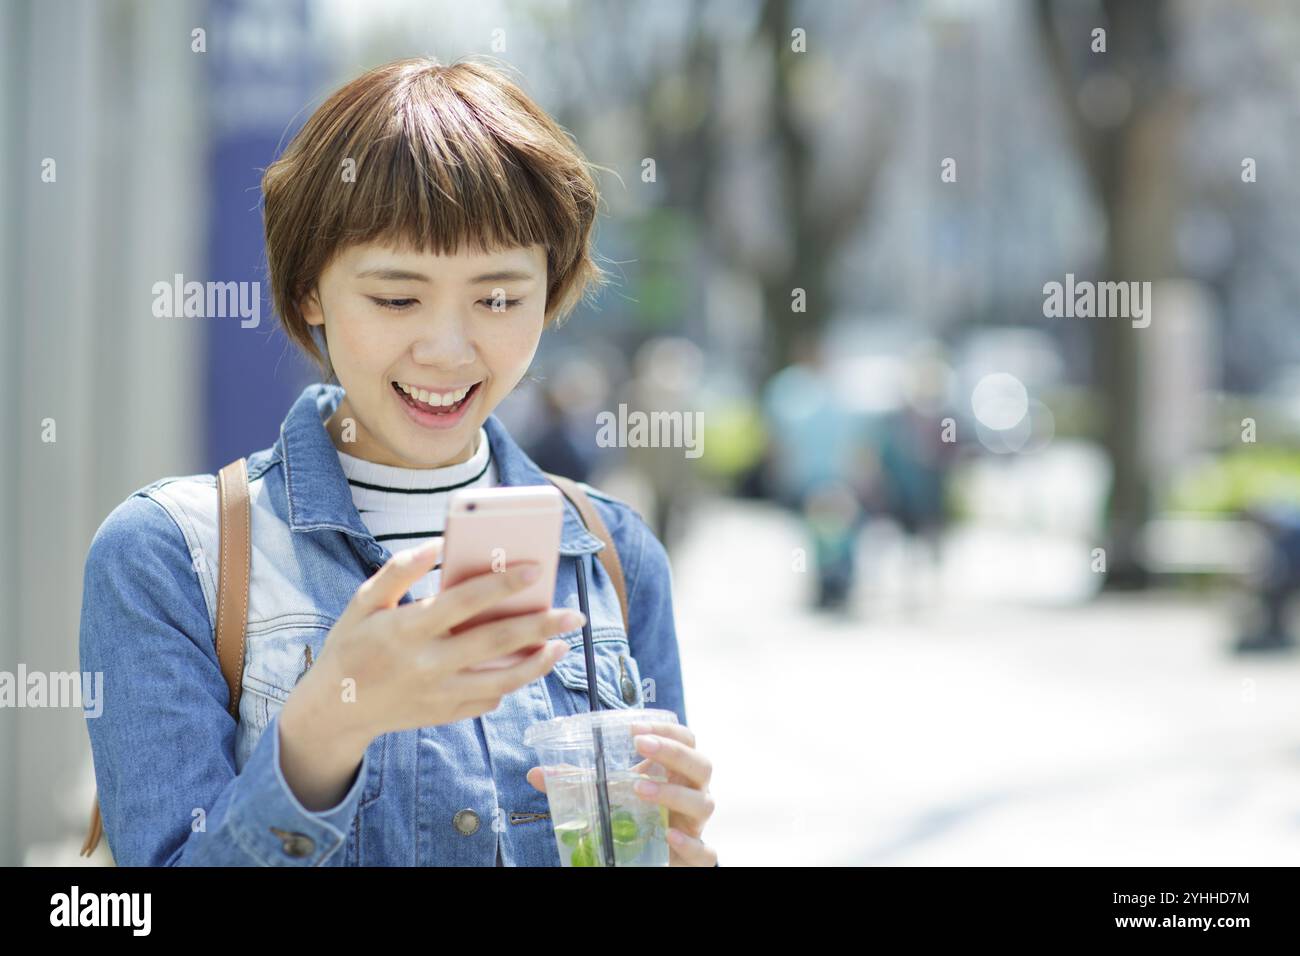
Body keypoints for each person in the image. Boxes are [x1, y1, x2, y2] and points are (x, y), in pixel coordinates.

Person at [78, 57, 716, 867]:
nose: (447, 350)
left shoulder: (614, 556)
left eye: (498, 298)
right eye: (395, 297)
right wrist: (327, 725)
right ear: (310, 291)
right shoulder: (171, 555)